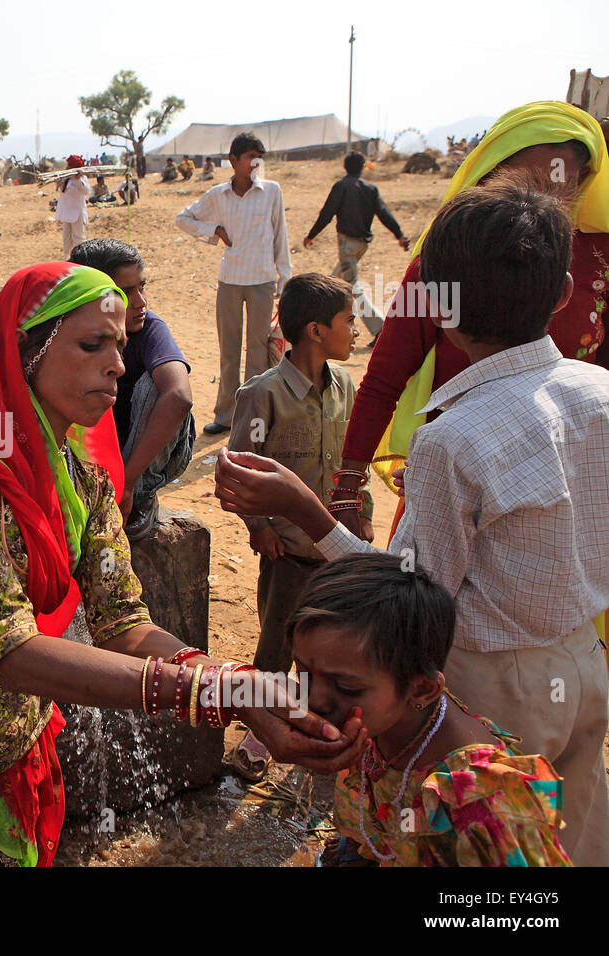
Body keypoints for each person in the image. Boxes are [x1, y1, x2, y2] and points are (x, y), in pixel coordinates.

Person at [0, 261, 365, 867]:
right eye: (92, 345)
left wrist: (239, 687)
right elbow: (8, 650)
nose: (117, 364)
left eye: (119, 346)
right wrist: (218, 690)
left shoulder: (83, 482)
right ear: (25, 352)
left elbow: (125, 624)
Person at [214, 179, 609, 865]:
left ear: (440, 310)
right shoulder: (599, 396)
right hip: (582, 662)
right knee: (565, 839)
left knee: (474, 846)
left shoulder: (454, 438)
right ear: (565, 290)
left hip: (490, 689)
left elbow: (410, 595)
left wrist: (304, 509)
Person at [338, 102, 609, 545]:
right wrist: (346, 491)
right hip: (454, 486)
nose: (549, 203)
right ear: (491, 177)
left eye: (566, 184)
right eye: (531, 183)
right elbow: (385, 377)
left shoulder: (601, 259)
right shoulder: (444, 261)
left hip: (571, 488)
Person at [298, 555, 571, 867]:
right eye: (302, 670)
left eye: (345, 686)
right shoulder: (385, 717)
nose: (314, 700)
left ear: (422, 690)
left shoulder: (479, 809)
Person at [226, 272, 372, 779]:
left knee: (327, 648)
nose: (356, 331)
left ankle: (309, 727)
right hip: (287, 555)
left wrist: (363, 517)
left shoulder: (346, 387)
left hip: (338, 552)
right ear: (315, 330)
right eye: (348, 321)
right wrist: (258, 525)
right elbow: (238, 469)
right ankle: (260, 735)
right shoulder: (263, 394)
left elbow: (355, 465)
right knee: (275, 647)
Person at [68, 238, 194, 541]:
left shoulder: (150, 329)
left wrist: (126, 482)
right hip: (99, 450)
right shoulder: (69, 329)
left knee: (158, 386)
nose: (140, 302)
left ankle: (141, 494)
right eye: (124, 292)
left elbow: (179, 397)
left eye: (142, 286)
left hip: (146, 456)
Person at [177, 133, 291, 435]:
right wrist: (213, 230)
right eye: (250, 156)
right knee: (229, 352)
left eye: (259, 157)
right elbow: (183, 218)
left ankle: (255, 417)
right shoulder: (218, 195)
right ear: (233, 161)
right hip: (229, 281)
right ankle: (226, 415)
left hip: (263, 281)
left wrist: (285, 279)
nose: (255, 163)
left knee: (257, 352)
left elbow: (281, 236)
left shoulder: (271, 192)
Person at [303, 151, 411, 341]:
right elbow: (384, 213)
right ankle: (321, 323)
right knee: (334, 281)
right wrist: (399, 234)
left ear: (344, 166)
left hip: (347, 245)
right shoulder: (370, 189)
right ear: (362, 167)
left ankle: (381, 330)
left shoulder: (341, 187)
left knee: (352, 288)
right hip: (362, 245)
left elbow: (326, 214)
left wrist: (311, 235)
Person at [55, 155, 91, 258]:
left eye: (70, 165)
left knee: (79, 240)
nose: (68, 167)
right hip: (66, 214)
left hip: (77, 214)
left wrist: (79, 179)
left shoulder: (82, 178)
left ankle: (81, 261)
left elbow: (86, 191)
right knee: (67, 241)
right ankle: (68, 261)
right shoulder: (65, 178)